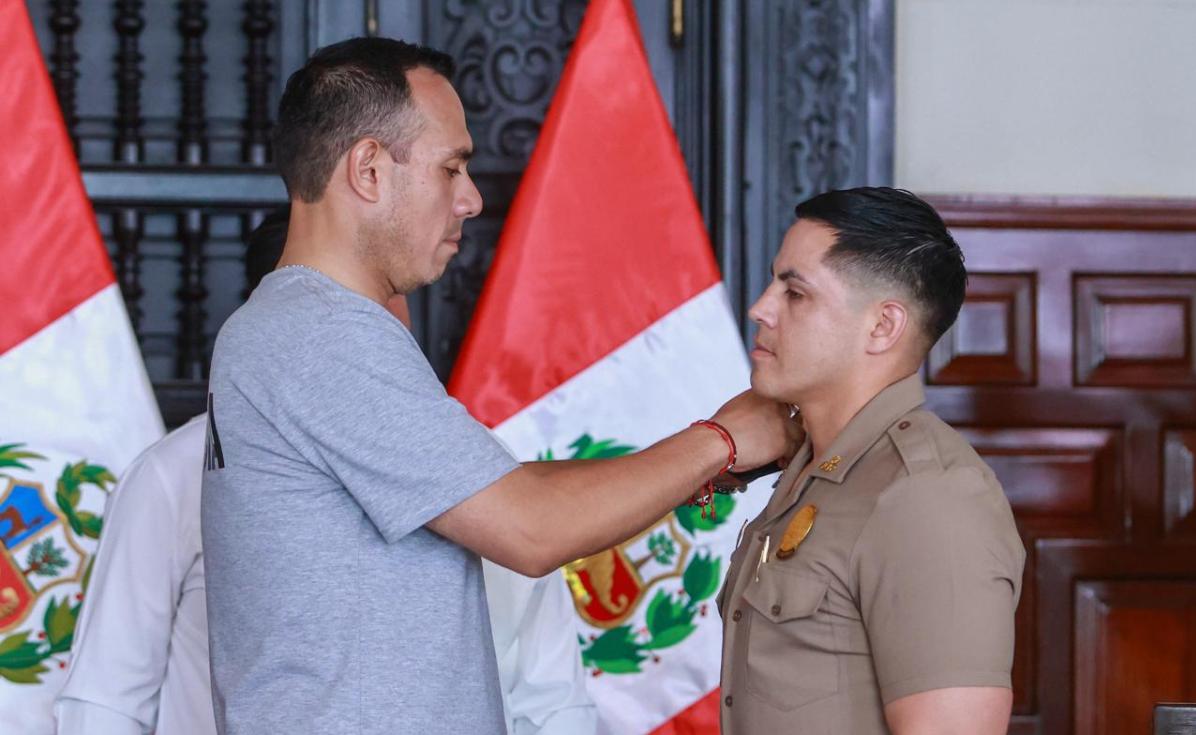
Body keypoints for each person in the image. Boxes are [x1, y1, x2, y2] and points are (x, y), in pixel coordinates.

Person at [201, 37, 796, 734]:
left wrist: (681, 463)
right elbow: (529, 525)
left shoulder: (293, 325)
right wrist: (721, 441)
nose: (472, 199)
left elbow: (498, 494)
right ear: (367, 169)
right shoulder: (323, 333)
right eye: (451, 167)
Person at [54, 210, 596, 735]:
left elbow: (550, 695)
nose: (368, 323)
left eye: (386, 296)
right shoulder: (172, 474)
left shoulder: (490, 467)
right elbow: (108, 696)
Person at [717, 187, 1025, 734]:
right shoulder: (814, 469)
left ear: (882, 326)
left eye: (795, 293)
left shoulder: (927, 494)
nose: (760, 308)